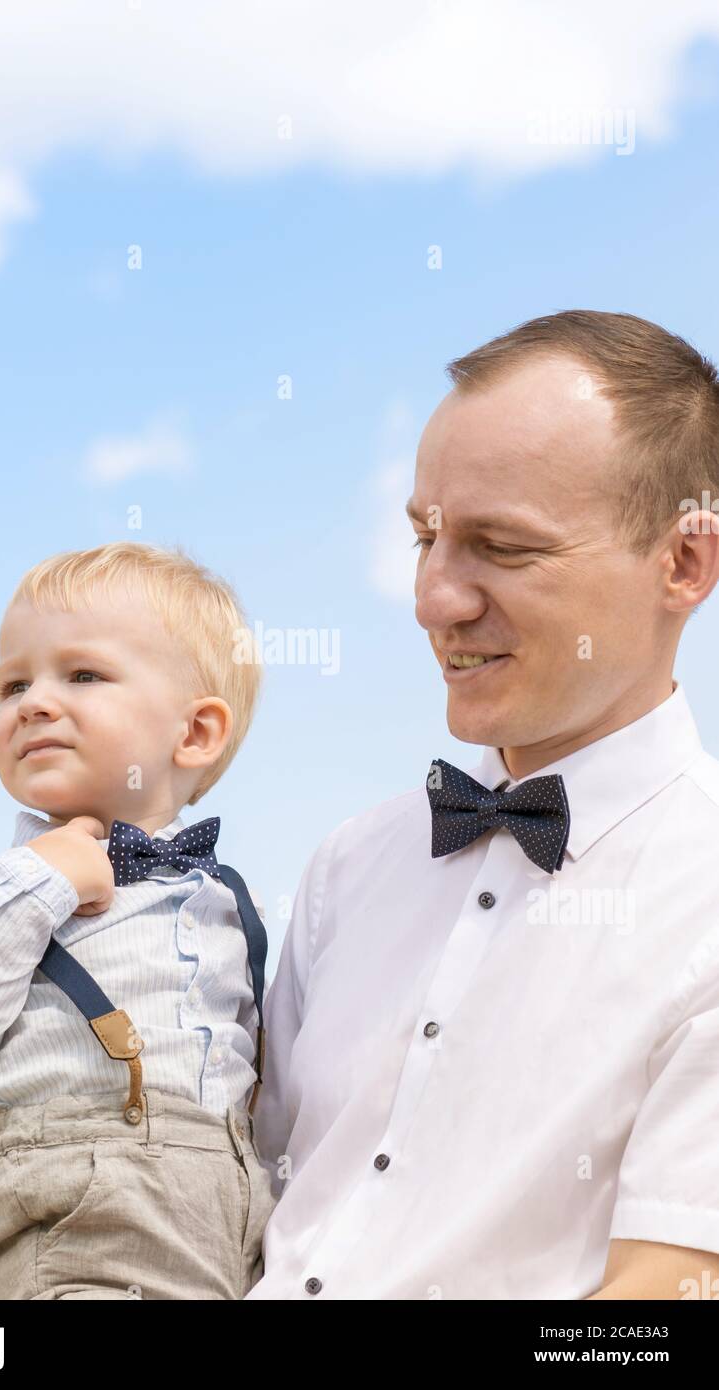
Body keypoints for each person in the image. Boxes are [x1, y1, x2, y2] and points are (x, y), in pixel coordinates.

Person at [247, 309, 719, 1300]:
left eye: (499, 547)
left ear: (682, 561)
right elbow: (251, 1201)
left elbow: (662, 1303)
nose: (432, 598)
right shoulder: (348, 863)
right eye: (424, 536)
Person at [0, 540, 277, 1300]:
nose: (33, 701)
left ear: (194, 734)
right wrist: (41, 881)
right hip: (74, 1216)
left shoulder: (229, 904)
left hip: (233, 1234)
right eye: (12, 684)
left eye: (82, 675)